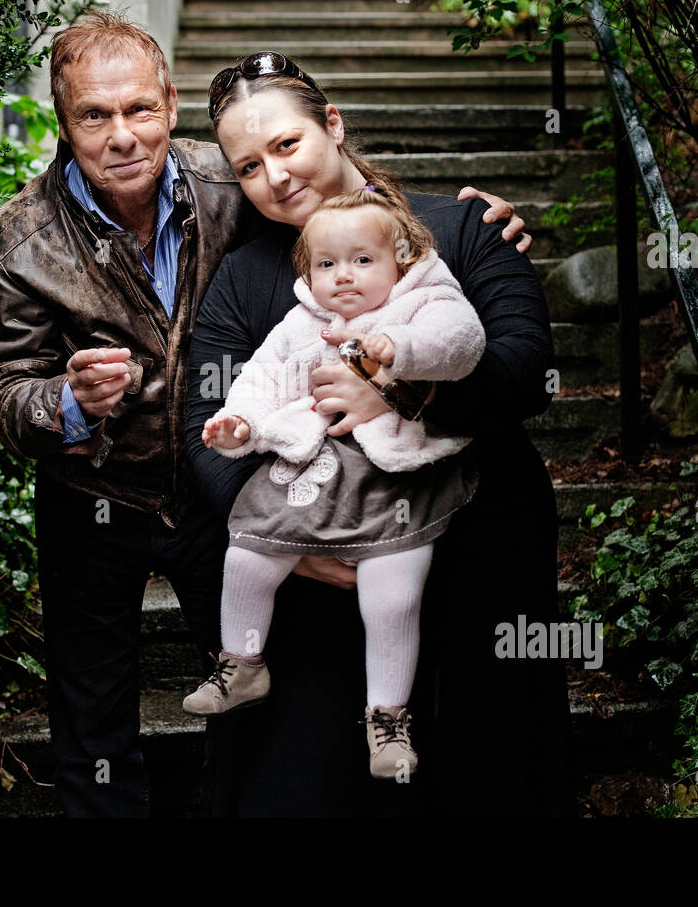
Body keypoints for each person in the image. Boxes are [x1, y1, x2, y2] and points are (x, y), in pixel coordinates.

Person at [0, 12, 531, 817]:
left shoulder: (230, 184)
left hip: (211, 498)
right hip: (95, 496)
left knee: (255, 697)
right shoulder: (15, 246)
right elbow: (2, 386)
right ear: (64, 122)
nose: (122, 135)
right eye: (94, 115)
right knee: (92, 721)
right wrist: (65, 400)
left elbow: (332, 191)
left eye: (139, 110)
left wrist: (466, 225)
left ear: (168, 104)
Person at [187, 52, 575, 816]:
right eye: (249, 166)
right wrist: (290, 546)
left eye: (287, 145)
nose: (276, 176)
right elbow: (205, 424)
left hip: (475, 554)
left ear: (333, 124)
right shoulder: (243, 278)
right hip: (315, 581)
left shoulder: (462, 227)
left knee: (487, 776)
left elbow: (525, 369)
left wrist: (399, 393)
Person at [182, 185, 485, 782]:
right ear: (308, 272)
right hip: (313, 472)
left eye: (362, 260)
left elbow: (464, 342)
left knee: (392, 594)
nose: (343, 277)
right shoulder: (302, 322)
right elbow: (262, 375)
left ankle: (387, 720)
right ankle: (242, 662)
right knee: (247, 554)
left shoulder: (424, 299)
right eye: (326, 264)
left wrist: (401, 349)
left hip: (395, 480)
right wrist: (240, 419)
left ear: (400, 257)